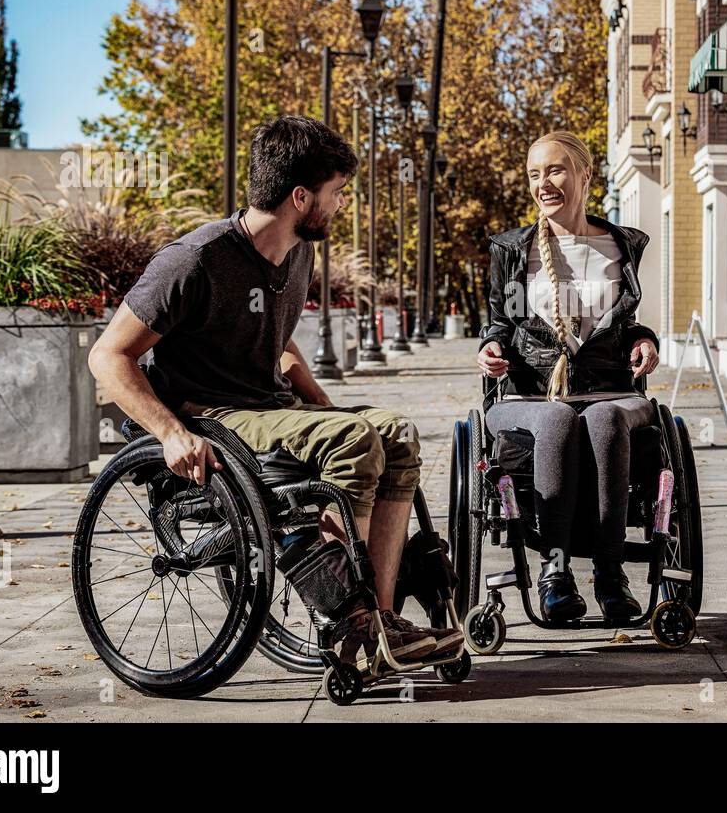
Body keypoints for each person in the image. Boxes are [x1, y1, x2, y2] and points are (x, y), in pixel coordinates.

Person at [90, 115, 461, 671]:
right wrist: (170, 433)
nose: (341, 206)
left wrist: (316, 396)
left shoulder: (298, 252)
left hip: (269, 408)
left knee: (396, 433)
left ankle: (381, 621)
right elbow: (107, 356)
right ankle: (351, 625)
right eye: (337, 194)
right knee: (355, 441)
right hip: (212, 416)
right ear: (300, 197)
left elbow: (274, 335)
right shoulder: (194, 260)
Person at [476, 131, 660, 622]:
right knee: (558, 418)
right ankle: (554, 573)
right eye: (535, 174)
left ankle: (610, 574)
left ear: (585, 175)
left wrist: (645, 340)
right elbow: (498, 322)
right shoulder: (511, 249)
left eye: (555, 170)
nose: (544, 183)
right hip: (530, 392)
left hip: (612, 388)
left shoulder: (621, 245)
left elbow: (623, 321)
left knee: (603, 419)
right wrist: (490, 347)